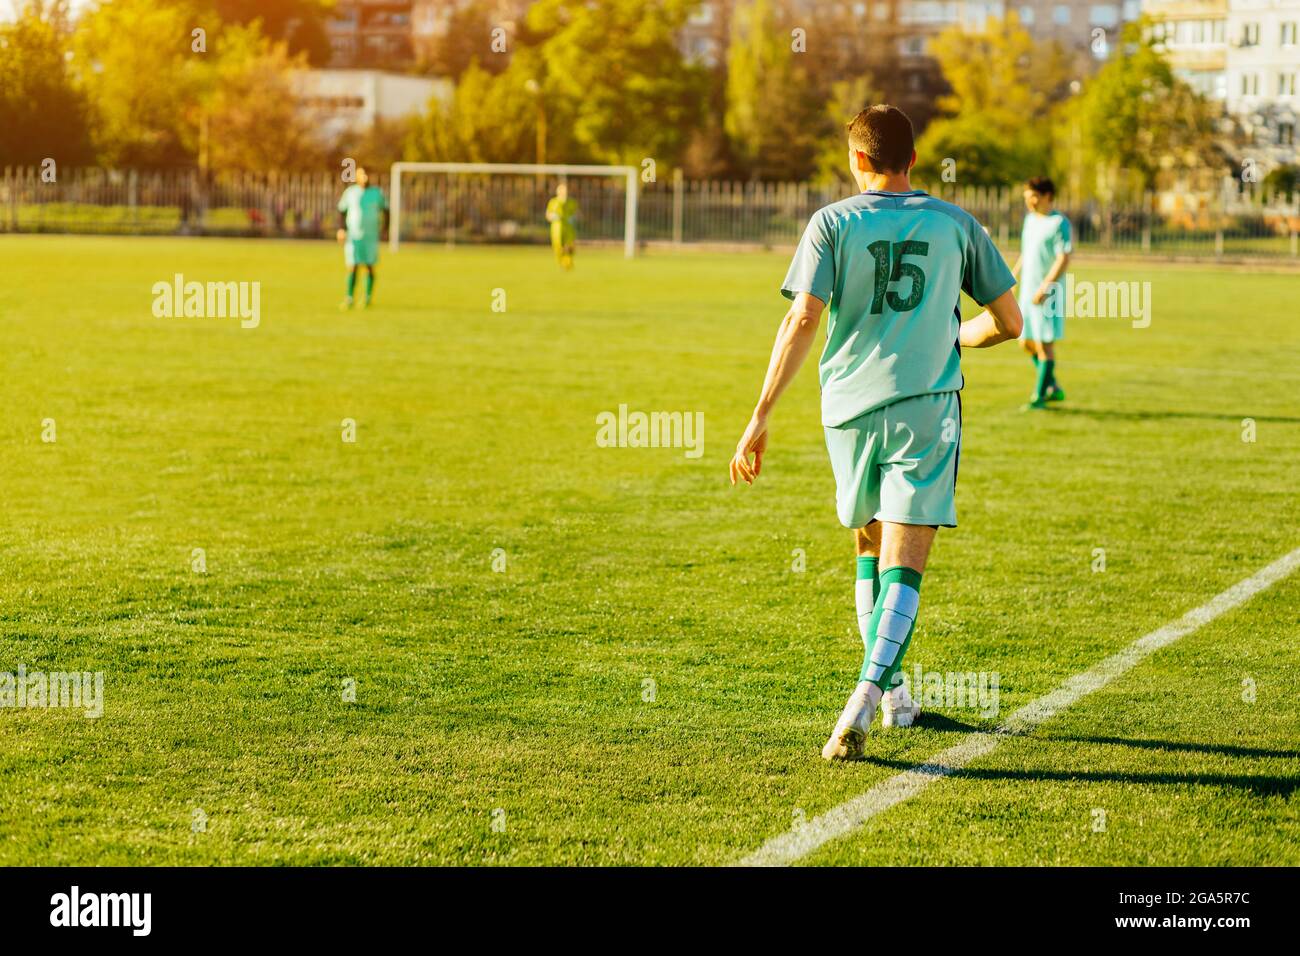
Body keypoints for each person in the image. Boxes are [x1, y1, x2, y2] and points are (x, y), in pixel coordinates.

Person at [728, 105, 1023, 761]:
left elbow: (803, 319)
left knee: (867, 544)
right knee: (905, 559)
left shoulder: (830, 222)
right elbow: (1009, 319)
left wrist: (760, 415)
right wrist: (957, 335)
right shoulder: (954, 223)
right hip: (926, 406)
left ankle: (893, 697)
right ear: (913, 160)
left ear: (857, 160)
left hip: (849, 409)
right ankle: (865, 692)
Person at [1012, 177, 1072, 408]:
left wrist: (1046, 286)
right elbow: (1026, 253)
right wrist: (1013, 276)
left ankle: (1039, 398)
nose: (1030, 203)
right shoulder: (1030, 220)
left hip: (1048, 294)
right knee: (1024, 341)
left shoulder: (1059, 223)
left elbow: (1063, 258)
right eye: (1027, 198)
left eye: (1033, 197)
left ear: (1048, 196)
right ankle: (1052, 385)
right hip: (1027, 291)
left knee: (1044, 344)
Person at [337, 166, 389, 309]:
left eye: (366, 174)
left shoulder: (376, 193)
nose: (364, 177)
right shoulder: (350, 192)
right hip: (353, 235)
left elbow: (386, 211)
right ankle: (349, 297)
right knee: (352, 265)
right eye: (361, 174)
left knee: (369, 266)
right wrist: (341, 229)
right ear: (357, 176)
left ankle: (367, 297)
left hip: (371, 236)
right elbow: (342, 211)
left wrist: (385, 229)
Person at [546, 182, 578, 270]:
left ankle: (567, 261)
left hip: (568, 228)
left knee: (570, 246)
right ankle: (563, 262)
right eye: (562, 190)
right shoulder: (553, 202)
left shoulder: (572, 202)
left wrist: (573, 217)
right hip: (557, 228)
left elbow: (577, 214)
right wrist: (553, 217)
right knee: (558, 247)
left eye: (565, 191)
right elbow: (548, 215)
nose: (564, 192)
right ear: (557, 191)